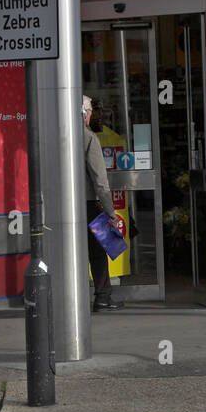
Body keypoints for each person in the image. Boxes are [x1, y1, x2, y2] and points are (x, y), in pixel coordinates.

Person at [83, 95, 122, 312]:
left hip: (62, 206)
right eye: (89, 111)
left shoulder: (57, 135)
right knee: (98, 251)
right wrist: (110, 211)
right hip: (89, 204)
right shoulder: (88, 137)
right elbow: (100, 180)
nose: (91, 115)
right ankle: (103, 296)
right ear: (83, 113)